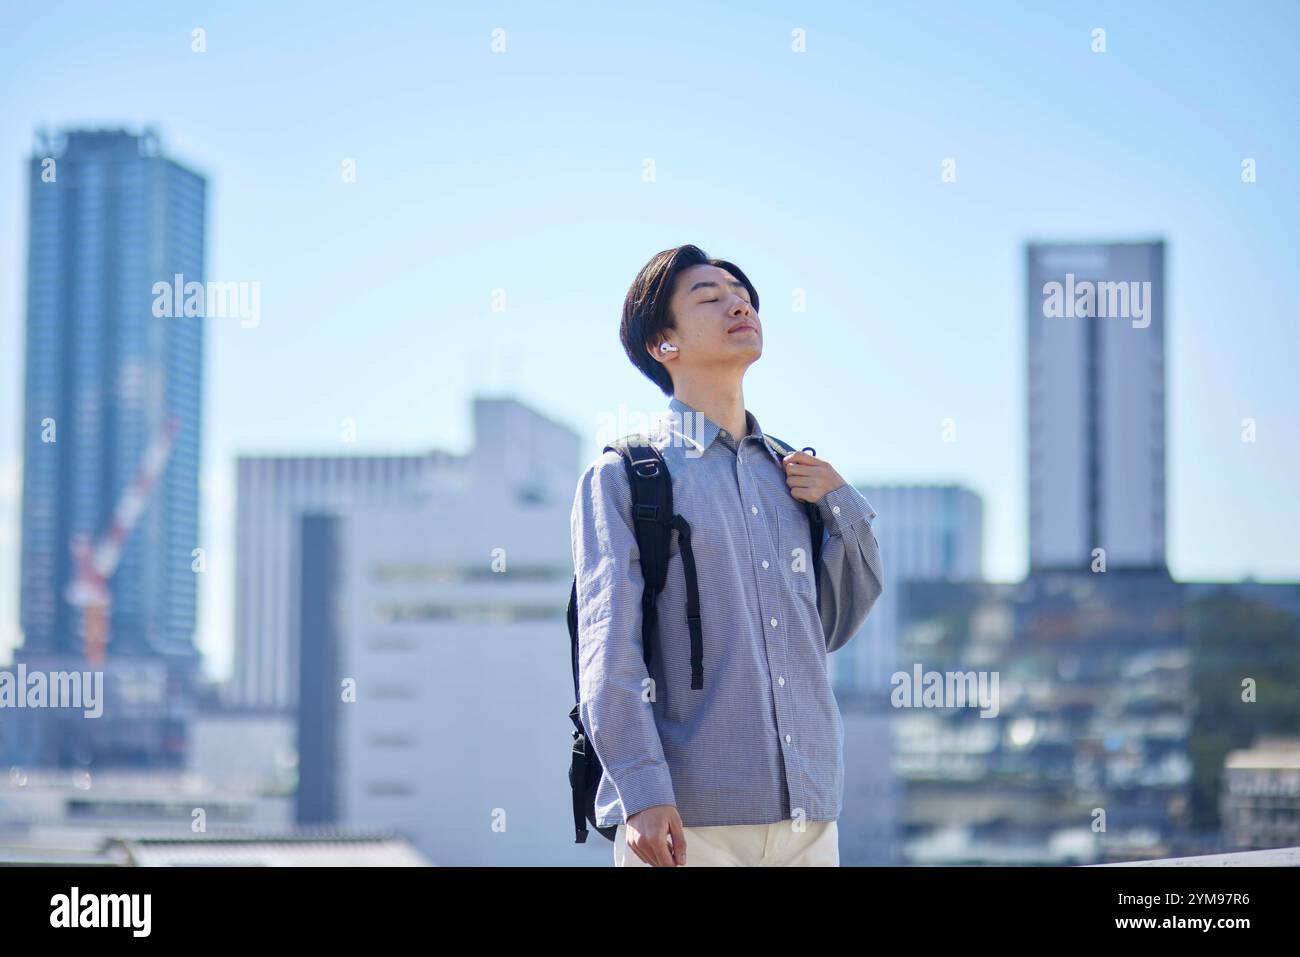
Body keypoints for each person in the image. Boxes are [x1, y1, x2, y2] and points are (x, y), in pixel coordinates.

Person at [570, 244, 884, 866]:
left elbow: (837, 623)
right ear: (665, 344)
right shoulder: (628, 475)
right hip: (689, 823)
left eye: (740, 293)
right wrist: (641, 792)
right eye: (709, 297)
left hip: (810, 818)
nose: (737, 301)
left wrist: (843, 504)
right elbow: (608, 651)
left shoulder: (795, 473)